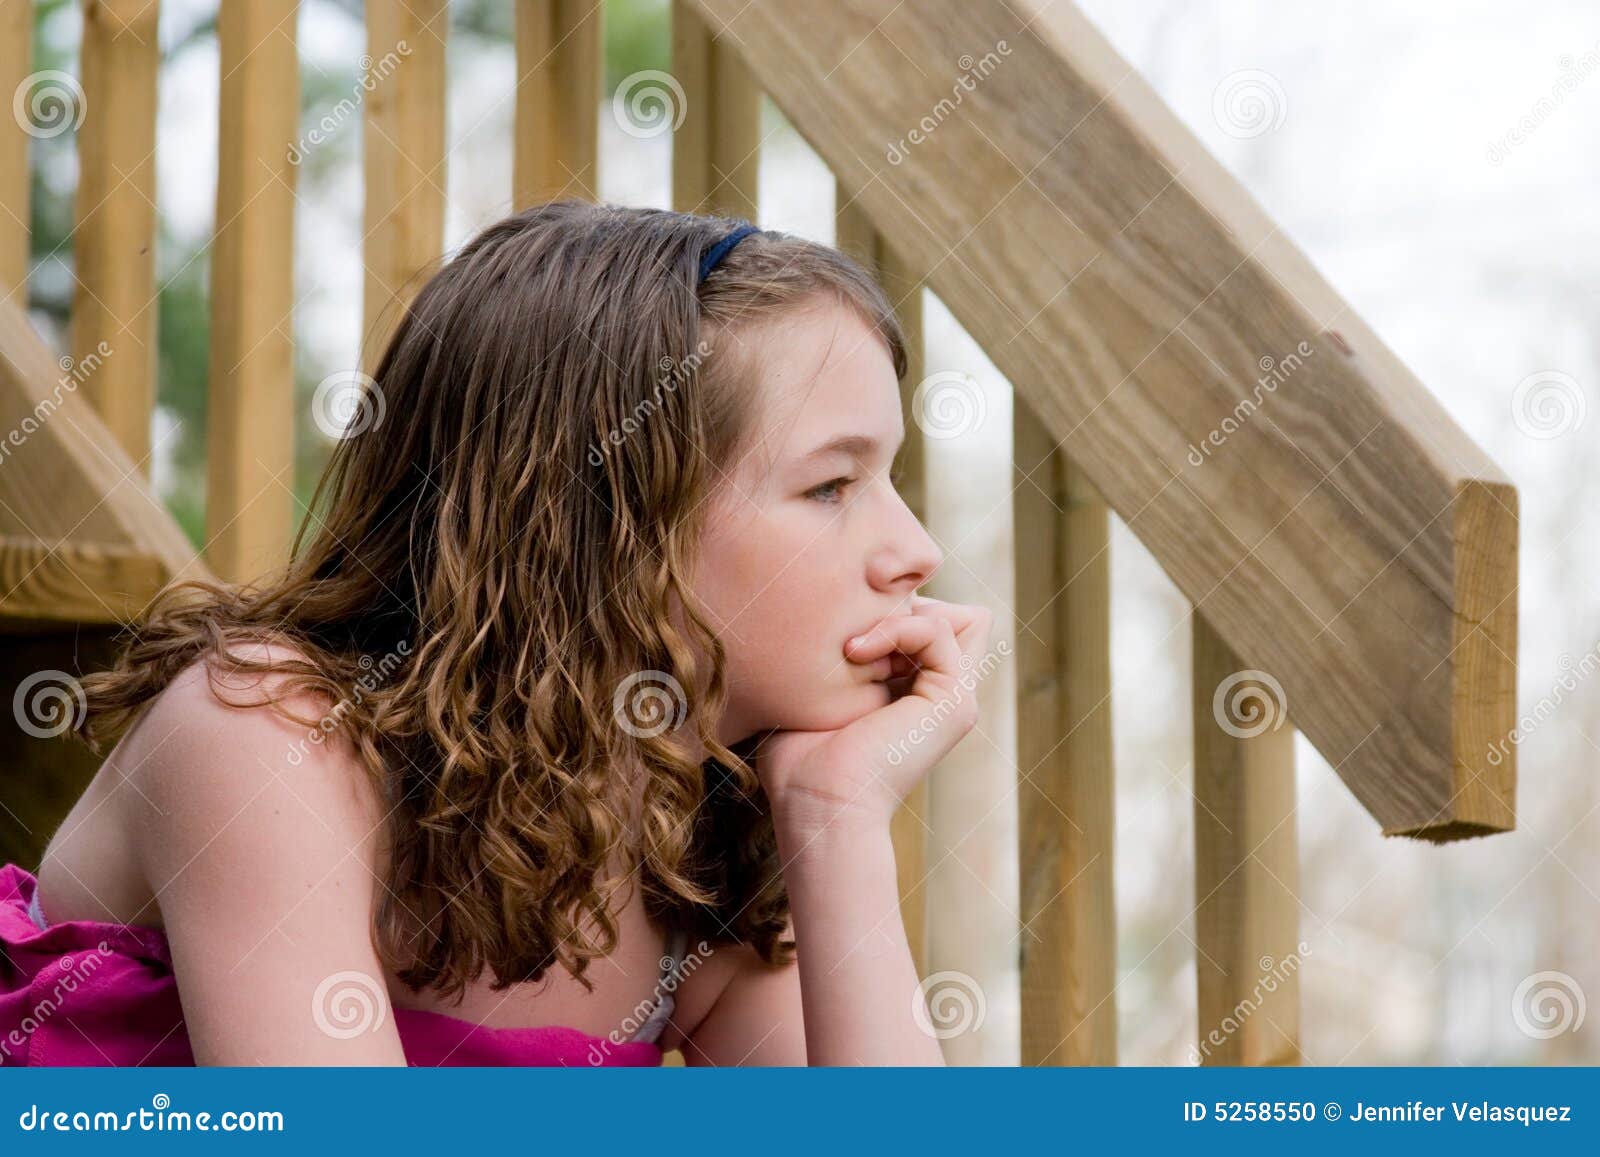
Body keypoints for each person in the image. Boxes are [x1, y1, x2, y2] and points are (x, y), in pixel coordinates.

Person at [0, 200, 992, 1066]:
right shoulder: (269, 732)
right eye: (830, 484)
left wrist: (835, 815)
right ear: (602, 520)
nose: (915, 548)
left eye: (888, 478)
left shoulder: (694, 839)